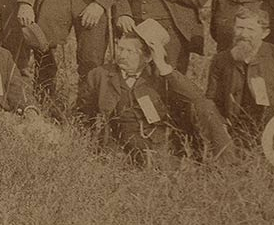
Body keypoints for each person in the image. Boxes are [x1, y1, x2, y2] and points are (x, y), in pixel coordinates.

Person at [78, 31, 233, 167]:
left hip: (160, 138)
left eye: (130, 51)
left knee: (167, 160)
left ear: (147, 57)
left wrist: (163, 66)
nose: (122, 55)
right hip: (122, 139)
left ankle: (222, 164)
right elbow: (82, 111)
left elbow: (197, 97)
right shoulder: (100, 75)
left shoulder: (159, 75)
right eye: (120, 49)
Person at [205, 6, 274, 140]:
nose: (243, 34)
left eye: (250, 29)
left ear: (264, 33)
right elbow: (212, 100)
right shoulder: (221, 60)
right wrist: (219, 125)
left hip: (271, 132)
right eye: (240, 28)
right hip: (232, 132)